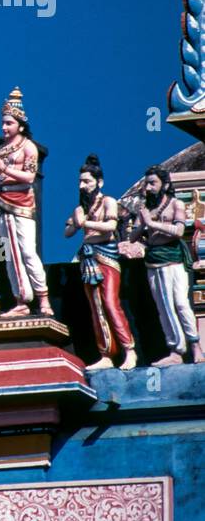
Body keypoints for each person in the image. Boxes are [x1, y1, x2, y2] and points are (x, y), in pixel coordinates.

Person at [64, 156, 135, 370]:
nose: (82, 186)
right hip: (89, 258)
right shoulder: (81, 208)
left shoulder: (108, 202)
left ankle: (129, 349)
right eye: (80, 182)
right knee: (97, 307)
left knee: (111, 303)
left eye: (87, 181)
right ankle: (106, 353)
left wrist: (85, 222)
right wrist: (76, 224)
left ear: (99, 182)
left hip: (107, 256)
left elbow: (111, 226)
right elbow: (67, 233)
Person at [128, 166, 204, 366]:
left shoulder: (175, 204)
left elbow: (179, 231)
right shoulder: (145, 209)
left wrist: (153, 225)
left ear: (165, 184)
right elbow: (133, 237)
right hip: (154, 260)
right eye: (147, 183)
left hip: (174, 258)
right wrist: (143, 224)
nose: (149, 187)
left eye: (153, 183)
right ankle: (176, 350)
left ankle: (196, 346)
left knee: (180, 302)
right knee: (164, 306)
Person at [0, 88, 52, 317]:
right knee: (8, 253)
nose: (4, 128)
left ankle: (43, 299)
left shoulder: (28, 147)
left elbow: (30, 177)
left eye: (9, 124)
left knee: (27, 251)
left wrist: (3, 168)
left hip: (22, 205)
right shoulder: (0, 149)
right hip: (1, 205)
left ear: (20, 125)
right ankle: (21, 299)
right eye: (3, 123)